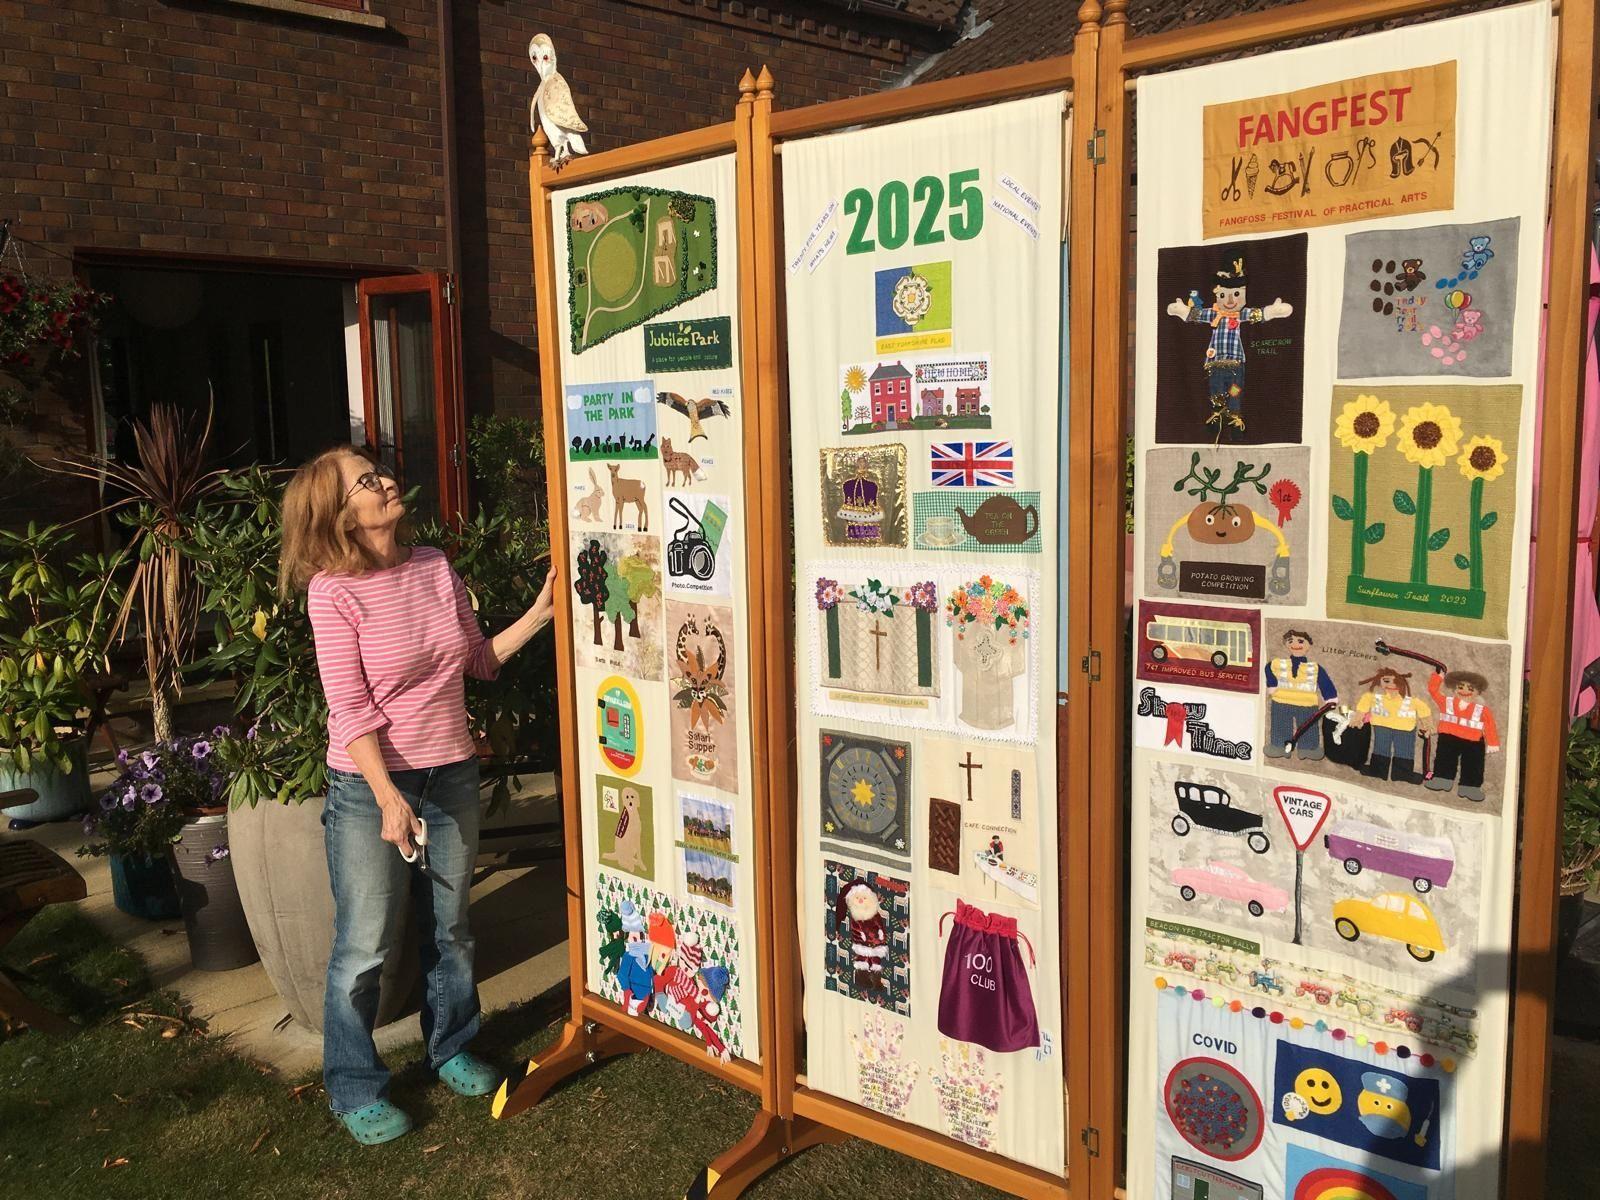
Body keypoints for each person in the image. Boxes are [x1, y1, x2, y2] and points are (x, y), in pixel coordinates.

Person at [279, 448, 557, 1145]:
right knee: (365, 945)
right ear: (339, 513)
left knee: (452, 927)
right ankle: (351, 1086)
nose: (385, 482)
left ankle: (453, 1047)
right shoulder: (332, 591)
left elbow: (477, 660)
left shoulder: (432, 565)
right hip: (371, 782)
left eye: (380, 471)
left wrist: (540, 613)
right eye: (366, 481)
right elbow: (349, 708)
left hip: (451, 770)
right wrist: (387, 799)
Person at [1425, 669, 1500, 802]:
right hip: (1449, 737)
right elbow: (1433, 691)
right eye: (1460, 687)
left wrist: (1492, 742)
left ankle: (1470, 787)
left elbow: (1490, 725)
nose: (1464, 691)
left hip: (1473, 741)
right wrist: (1438, 677)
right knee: (1444, 759)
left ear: (1478, 692)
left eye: (1470, 688)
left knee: (1473, 764)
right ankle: (1442, 779)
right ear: (1454, 689)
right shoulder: (1446, 702)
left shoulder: (1482, 710)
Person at [1263, 629, 1337, 760]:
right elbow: (1268, 668)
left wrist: (1330, 698)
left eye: (1301, 641)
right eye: (1290, 641)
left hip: (1307, 703)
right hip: (1281, 701)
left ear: (1309, 644)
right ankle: (1279, 747)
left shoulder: (1314, 667)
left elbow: (1324, 682)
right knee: (1280, 725)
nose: (1295, 644)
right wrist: (1272, 684)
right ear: (1286, 644)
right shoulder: (1279, 663)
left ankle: (1307, 749)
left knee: (1307, 727)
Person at [1350, 667, 1432, 783]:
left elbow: (1424, 710)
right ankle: (1377, 770)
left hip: (1405, 728)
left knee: (1404, 750)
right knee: (1381, 748)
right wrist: (1358, 718)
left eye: (1396, 681)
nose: (1392, 685)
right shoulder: (1375, 697)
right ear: (1380, 682)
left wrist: (1427, 726)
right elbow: (1364, 702)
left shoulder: (1411, 701)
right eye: (1387, 681)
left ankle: (1403, 773)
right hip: (1382, 725)